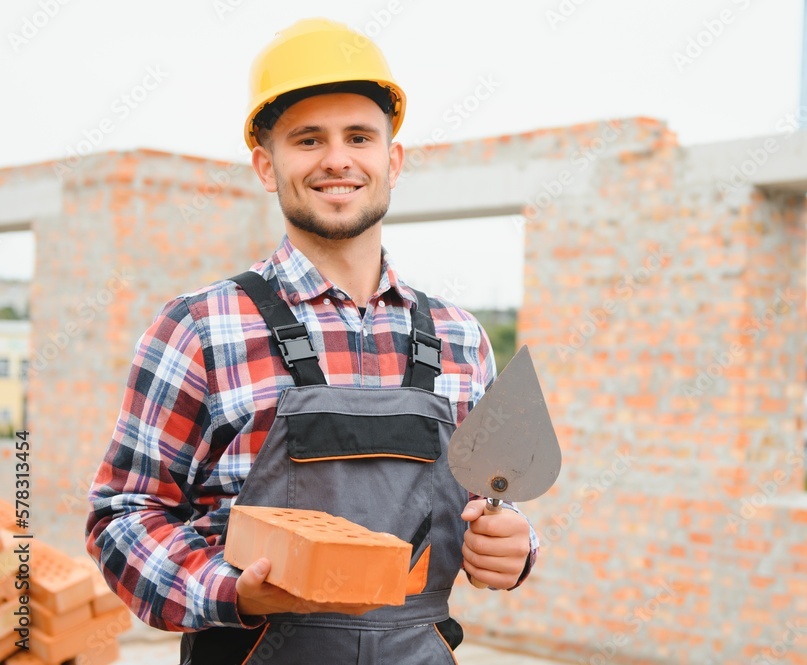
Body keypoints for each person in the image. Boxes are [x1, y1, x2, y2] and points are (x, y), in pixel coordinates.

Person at [85, 18, 537, 664]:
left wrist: (514, 545)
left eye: (360, 136)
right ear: (267, 166)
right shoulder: (199, 328)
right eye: (308, 139)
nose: (337, 159)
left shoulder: (460, 339)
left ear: (393, 159)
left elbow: (491, 506)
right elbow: (123, 519)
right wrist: (231, 589)